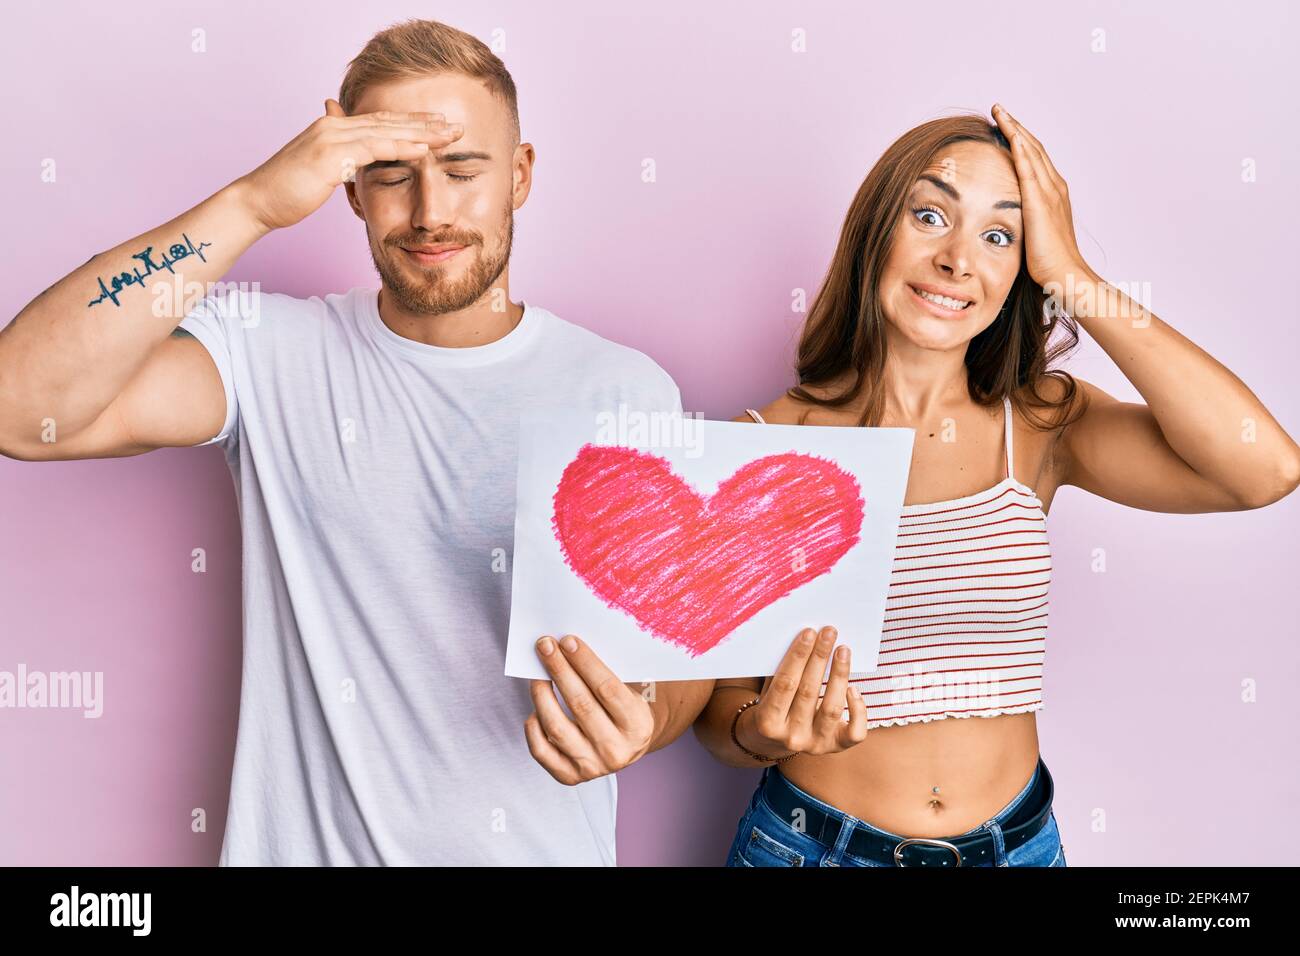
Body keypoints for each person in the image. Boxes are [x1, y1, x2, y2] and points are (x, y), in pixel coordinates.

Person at [0, 18, 713, 865]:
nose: (430, 211)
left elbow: (678, 664)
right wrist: (252, 203)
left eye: (461, 169)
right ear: (347, 189)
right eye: (389, 175)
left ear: (520, 176)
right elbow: (21, 407)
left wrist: (639, 725)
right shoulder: (268, 351)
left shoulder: (623, 389)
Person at [693, 104, 1300, 867]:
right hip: (812, 849)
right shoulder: (755, 447)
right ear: (874, 229)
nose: (957, 260)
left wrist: (1075, 277)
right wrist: (760, 730)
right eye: (928, 214)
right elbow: (717, 717)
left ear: (1022, 269)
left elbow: (1264, 469)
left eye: (999, 235)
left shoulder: (1043, 425)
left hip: (1017, 850)